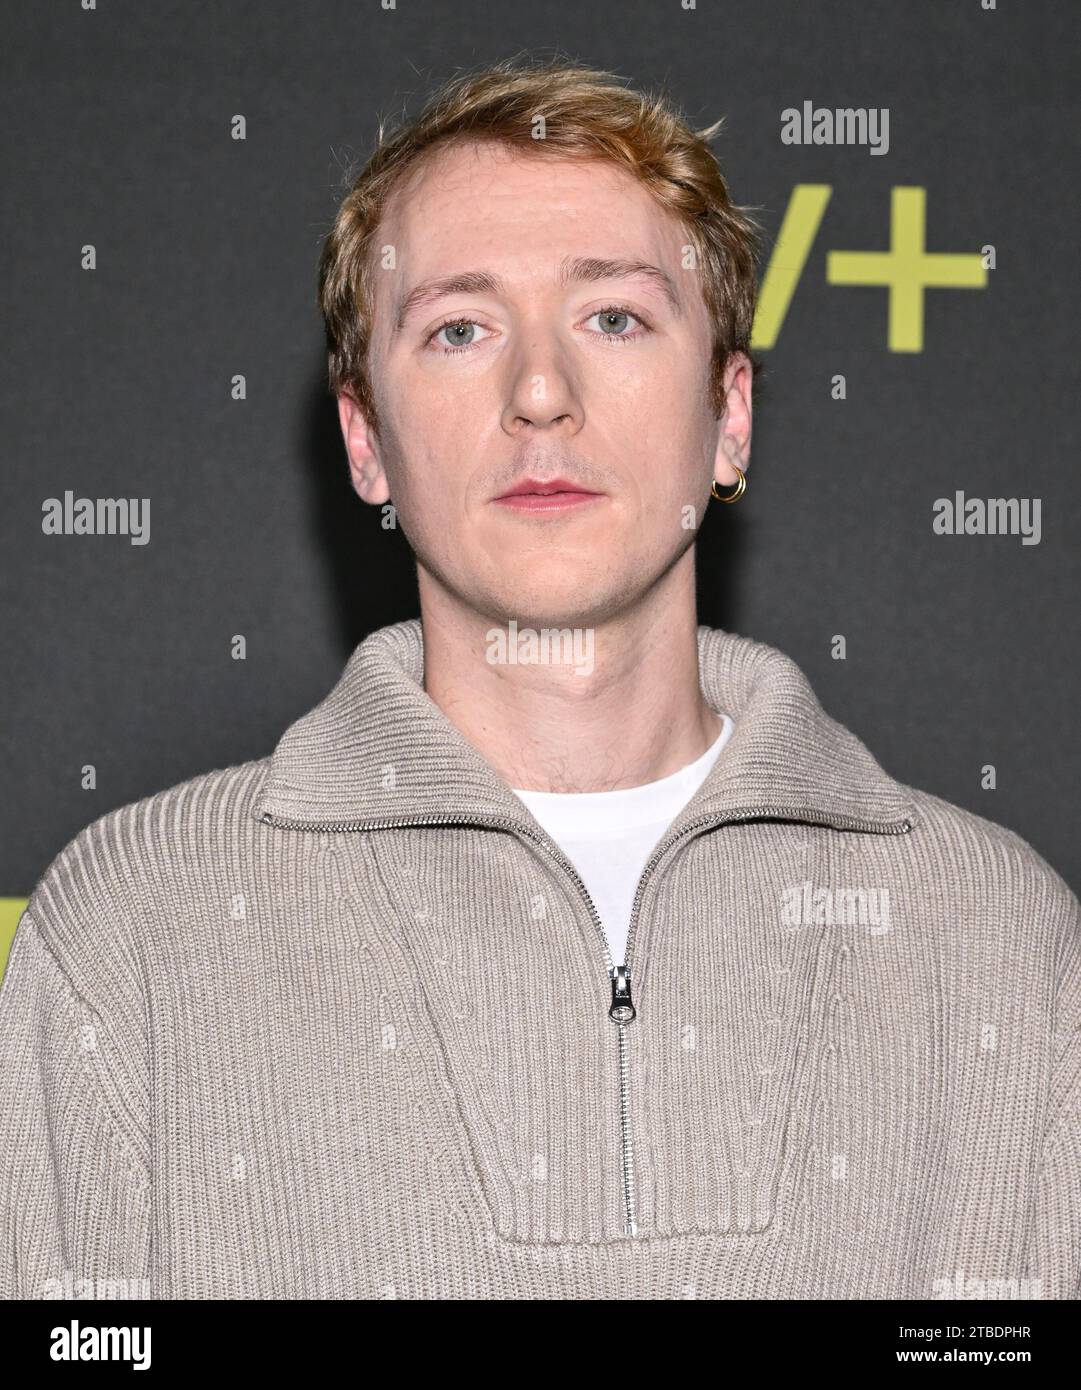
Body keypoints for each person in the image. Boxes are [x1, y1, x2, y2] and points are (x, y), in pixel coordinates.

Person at [1, 56, 1078, 1301]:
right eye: (460, 328)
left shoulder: (1000, 942)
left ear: (730, 417)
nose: (540, 396)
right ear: (365, 443)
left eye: (613, 316)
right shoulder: (135, 936)